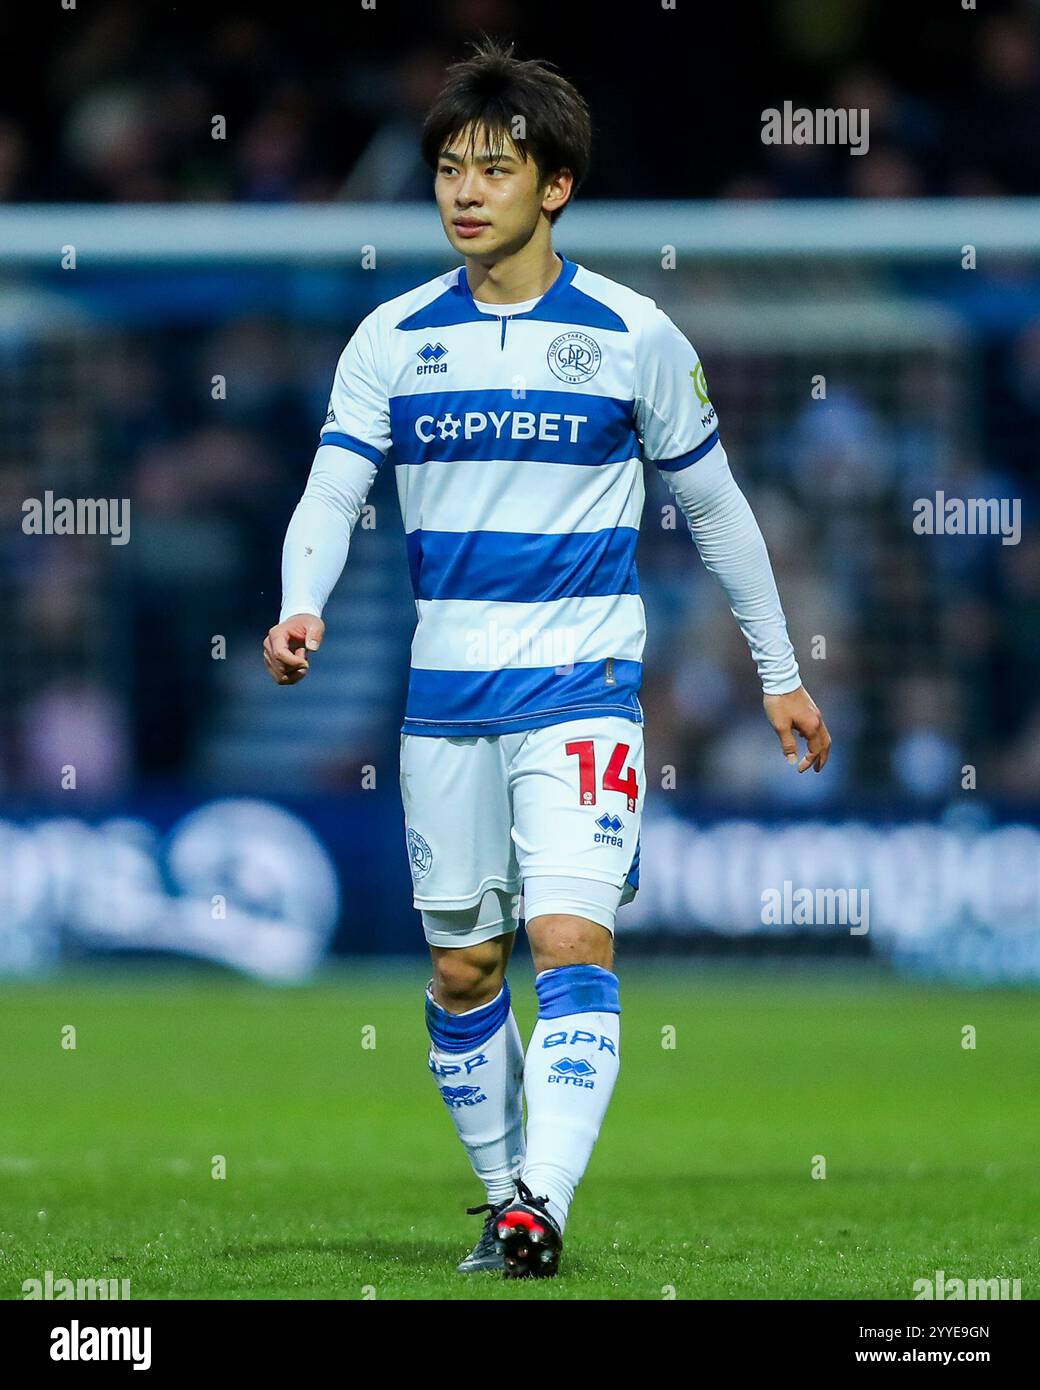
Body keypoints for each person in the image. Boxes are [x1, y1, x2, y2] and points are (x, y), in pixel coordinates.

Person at [264, 38, 831, 1279]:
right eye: (448, 172)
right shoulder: (391, 339)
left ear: (553, 184)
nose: (465, 193)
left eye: (493, 169)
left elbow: (718, 508)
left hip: (581, 697)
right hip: (444, 705)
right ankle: (502, 1194)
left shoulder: (633, 337)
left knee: (570, 942)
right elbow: (328, 489)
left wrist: (777, 668)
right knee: (465, 969)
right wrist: (300, 600)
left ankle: (541, 1207)